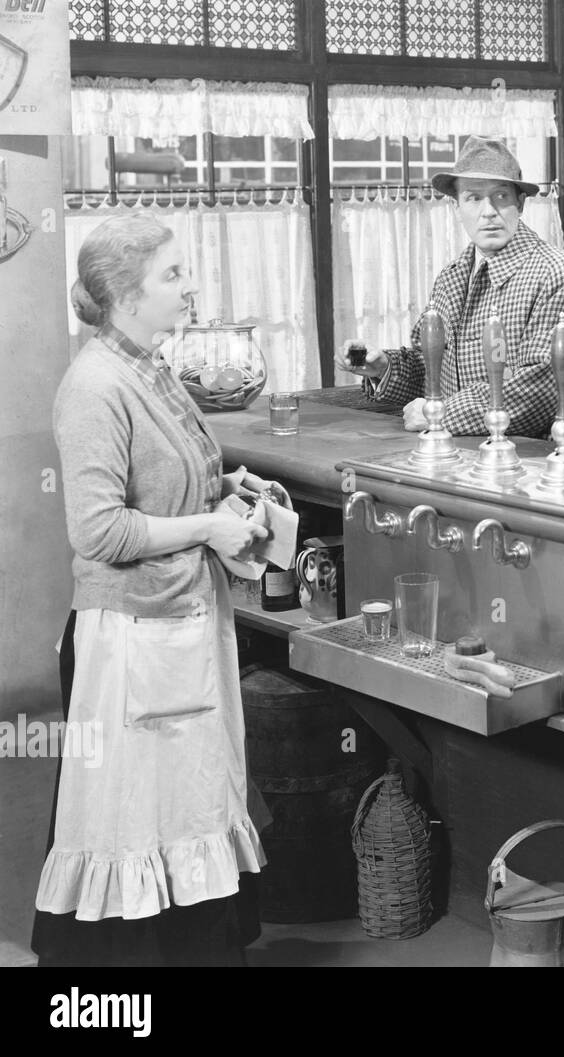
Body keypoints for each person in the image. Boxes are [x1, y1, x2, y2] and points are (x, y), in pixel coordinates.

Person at [33, 215, 274, 966]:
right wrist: (207, 525)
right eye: (173, 275)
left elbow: (163, 478)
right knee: (134, 821)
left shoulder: (151, 366)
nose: (191, 285)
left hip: (178, 622)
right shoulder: (95, 386)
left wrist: (222, 483)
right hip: (129, 642)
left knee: (186, 809)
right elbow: (100, 531)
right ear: (124, 295)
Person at [335, 136, 564, 439]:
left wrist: (441, 414)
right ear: (456, 207)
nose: (488, 212)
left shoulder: (559, 273)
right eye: (473, 198)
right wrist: (384, 368)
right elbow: (428, 367)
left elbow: (543, 390)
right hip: (454, 458)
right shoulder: (452, 277)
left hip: (534, 461)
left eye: (500, 197)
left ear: (520, 204)